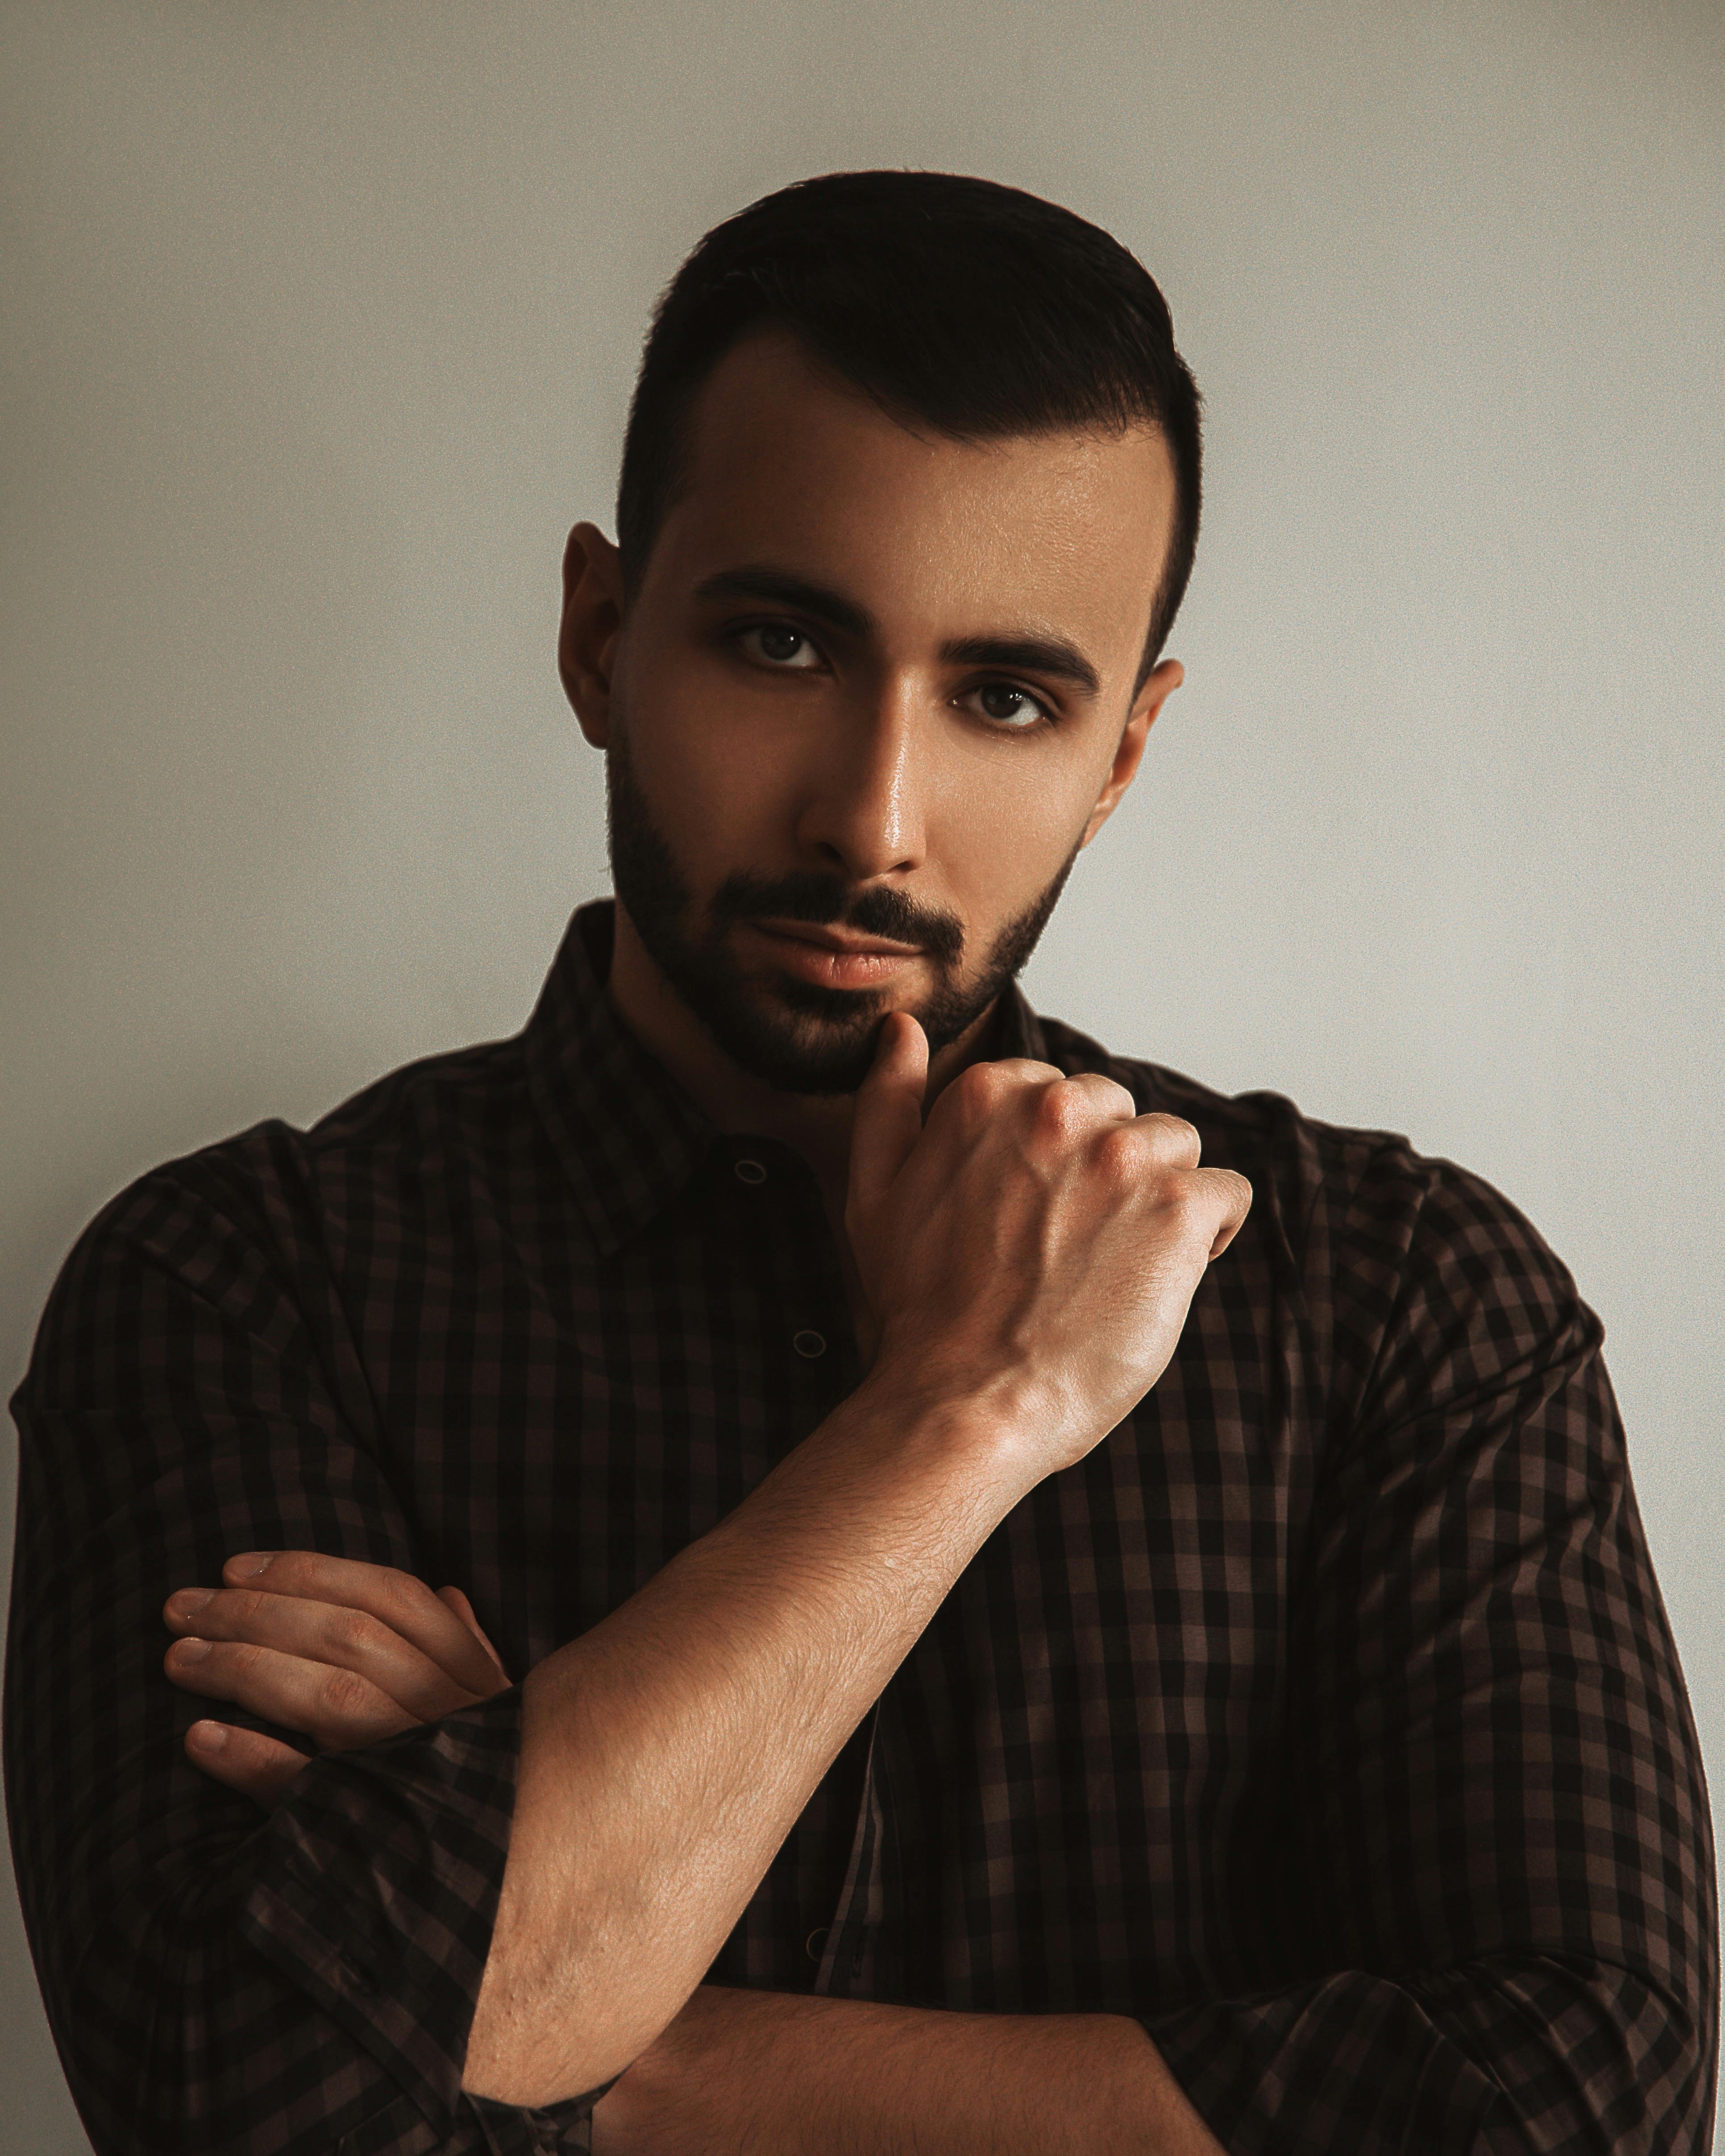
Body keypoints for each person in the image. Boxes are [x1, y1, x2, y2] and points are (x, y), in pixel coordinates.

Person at [4, 169, 1715, 2156]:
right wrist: (961, 1411)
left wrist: (560, 1969)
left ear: (1121, 752)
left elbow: (1573, 2109)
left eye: (1004, 697)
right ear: (599, 636)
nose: (873, 818)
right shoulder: (242, 1280)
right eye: (781, 645)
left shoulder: (1399, 1295)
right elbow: (244, 2101)